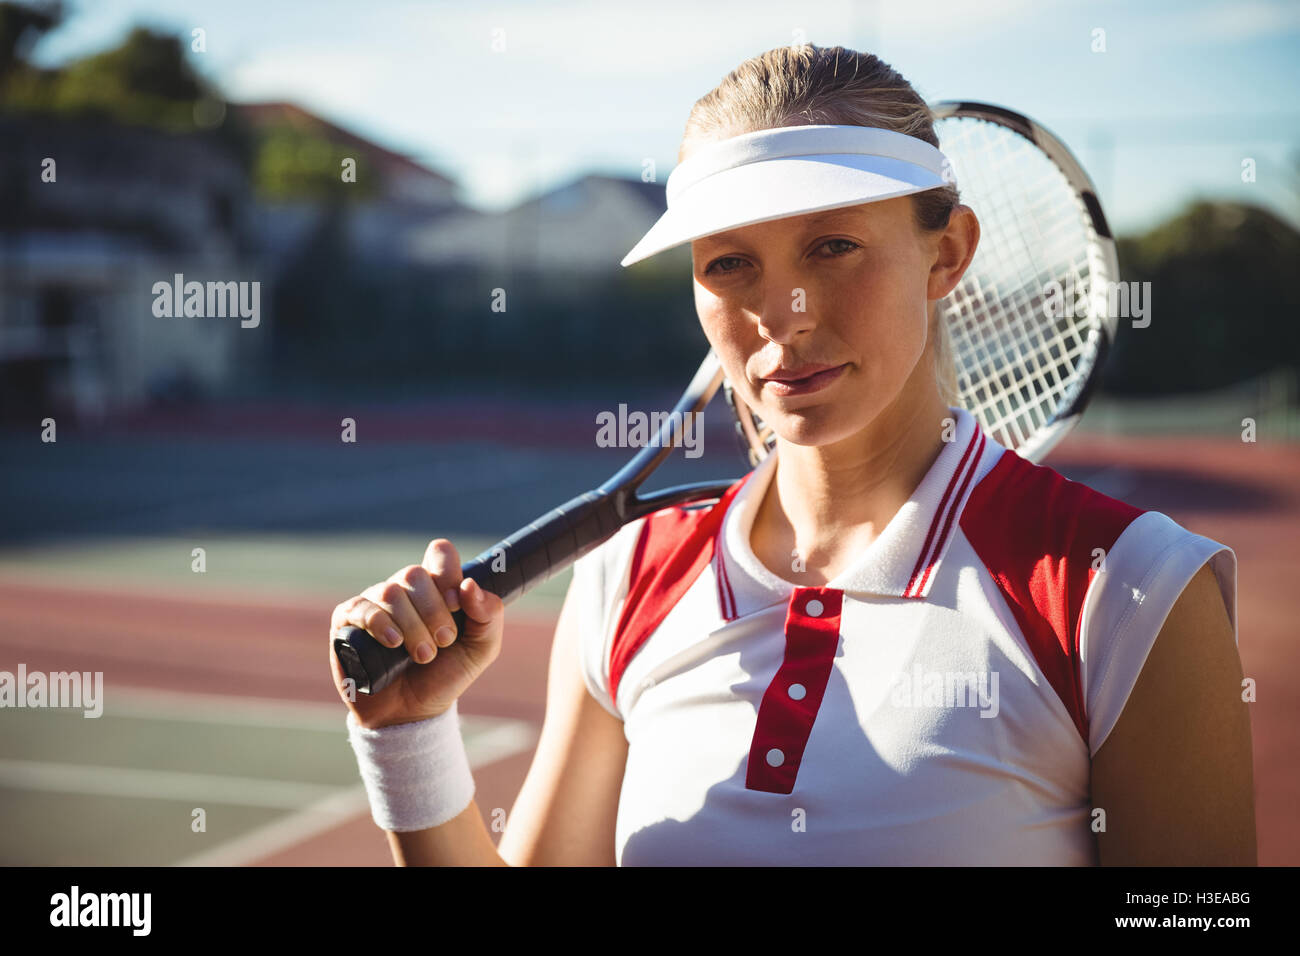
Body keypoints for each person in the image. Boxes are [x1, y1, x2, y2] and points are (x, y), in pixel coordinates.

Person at [330, 44, 1255, 866]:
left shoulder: (1125, 589)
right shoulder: (624, 582)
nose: (786, 316)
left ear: (948, 255)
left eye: (834, 245)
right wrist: (409, 739)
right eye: (730, 263)